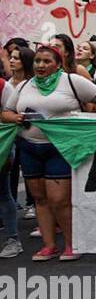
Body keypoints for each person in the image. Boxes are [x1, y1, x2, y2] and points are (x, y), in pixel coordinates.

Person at [0, 45, 96, 261]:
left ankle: (72, 244)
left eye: (47, 61)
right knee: (39, 198)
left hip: (61, 148)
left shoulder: (71, 81)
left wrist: (87, 119)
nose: (41, 65)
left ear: (57, 64)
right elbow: (6, 112)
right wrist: (16, 118)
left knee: (59, 200)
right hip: (30, 147)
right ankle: (48, 246)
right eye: (37, 61)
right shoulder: (25, 85)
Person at [0, 46, 34, 259]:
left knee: (4, 193)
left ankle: (13, 238)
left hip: (2, 148)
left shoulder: (3, 86)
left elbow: (10, 114)